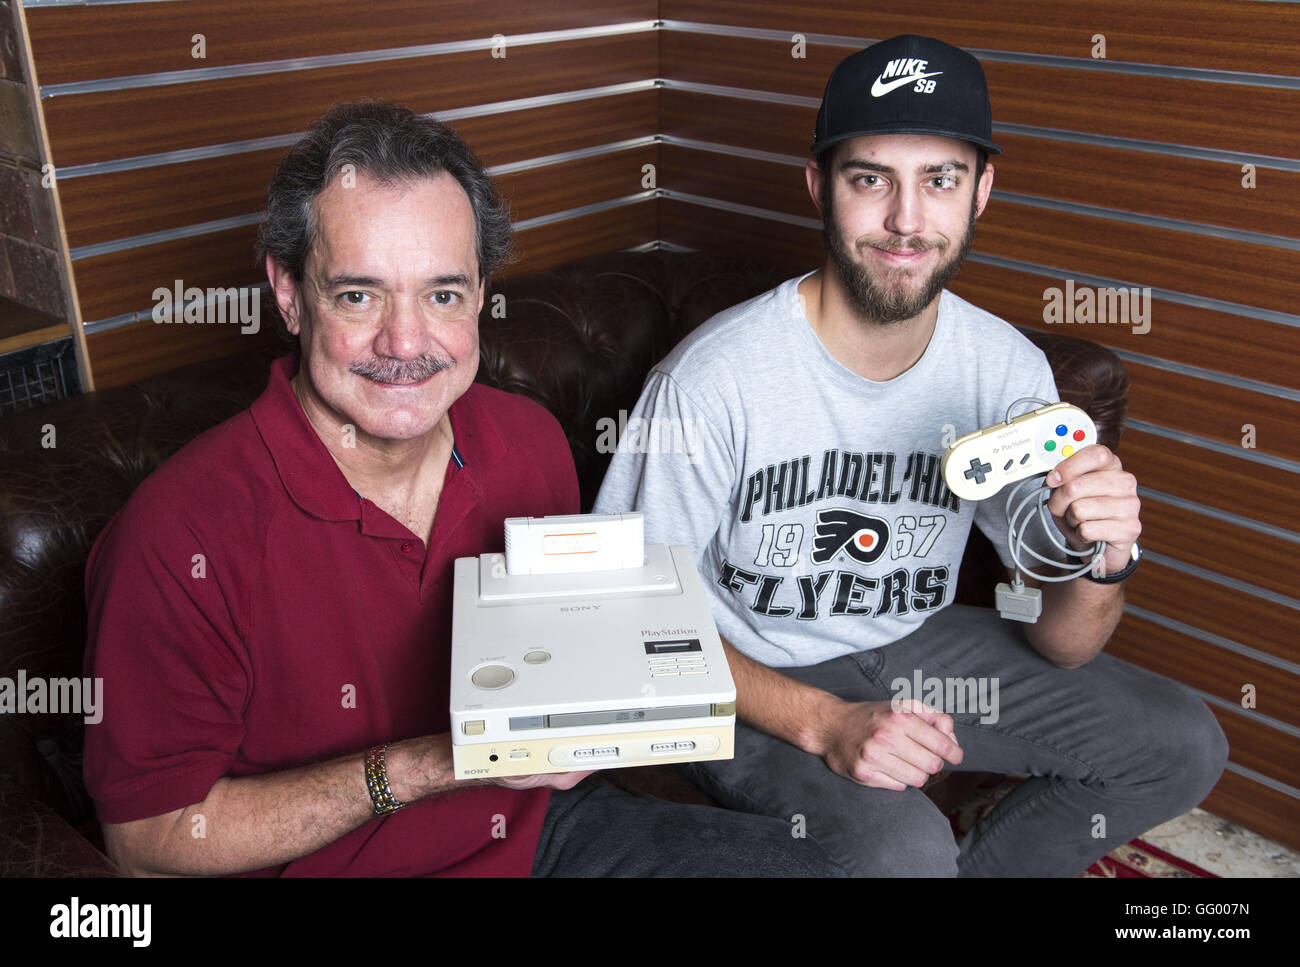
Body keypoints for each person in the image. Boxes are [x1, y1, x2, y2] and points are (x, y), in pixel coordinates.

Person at [83, 101, 841, 877]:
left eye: (442, 294)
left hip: (539, 835)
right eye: (358, 295)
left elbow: (572, 652)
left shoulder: (527, 442)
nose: (405, 343)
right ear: (287, 292)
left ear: (480, 293)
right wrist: (438, 763)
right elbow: (149, 840)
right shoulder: (179, 536)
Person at [593, 36, 1227, 876]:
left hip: (911, 641)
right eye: (870, 178)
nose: (905, 219)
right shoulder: (712, 380)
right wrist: (824, 721)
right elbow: (629, 617)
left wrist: (1102, 562)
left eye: (940, 179)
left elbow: (1065, 646)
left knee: (1183, 744)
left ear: (981, 191)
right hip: (749, 672)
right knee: (902, 850)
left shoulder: (1004, 371)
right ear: (821, 187)